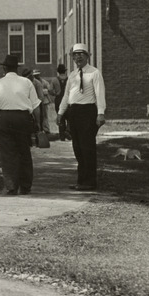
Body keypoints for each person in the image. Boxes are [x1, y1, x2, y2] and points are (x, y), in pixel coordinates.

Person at [0, 54, 41, 195]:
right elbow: (36, 107)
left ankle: (11, 186)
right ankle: (25, 186)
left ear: (4, 68)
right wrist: (37, 124)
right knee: (24, 152)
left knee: (8, 154)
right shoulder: (26, 83)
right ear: (17, 68)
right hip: (22, 119)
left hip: (3, 119)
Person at [56, 43, 106, 191]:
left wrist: (100, 113)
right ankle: (81, 181)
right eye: (75, 55)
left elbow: (100, 94)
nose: (78, 57)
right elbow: (66, 96)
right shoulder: (72, 75)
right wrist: (60, 112)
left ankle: (90, 182)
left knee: (87, 147)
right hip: (74, 112)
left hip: (88, 112)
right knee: (77, 148)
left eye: (81, 54)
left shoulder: (94, 73)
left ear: (87, 56)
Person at [48, 64, 69, 140]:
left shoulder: (54, 80)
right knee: (69, 117)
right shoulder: (69, 79)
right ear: (65, 71)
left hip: (58, 100)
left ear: (58, 72)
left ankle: (62, 136)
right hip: (68, 100)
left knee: (61, 118)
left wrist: (55, 93)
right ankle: (68, 132)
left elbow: (50, 90)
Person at [32, 70, 51, 134]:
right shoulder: (33, 82)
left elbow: (49, 89)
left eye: (37, 75)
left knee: (44, 116)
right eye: (35, 75)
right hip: (36, 101)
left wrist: (44, 91)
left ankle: (46, 129)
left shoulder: (44, 82)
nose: (36, 76)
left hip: (44, 101)